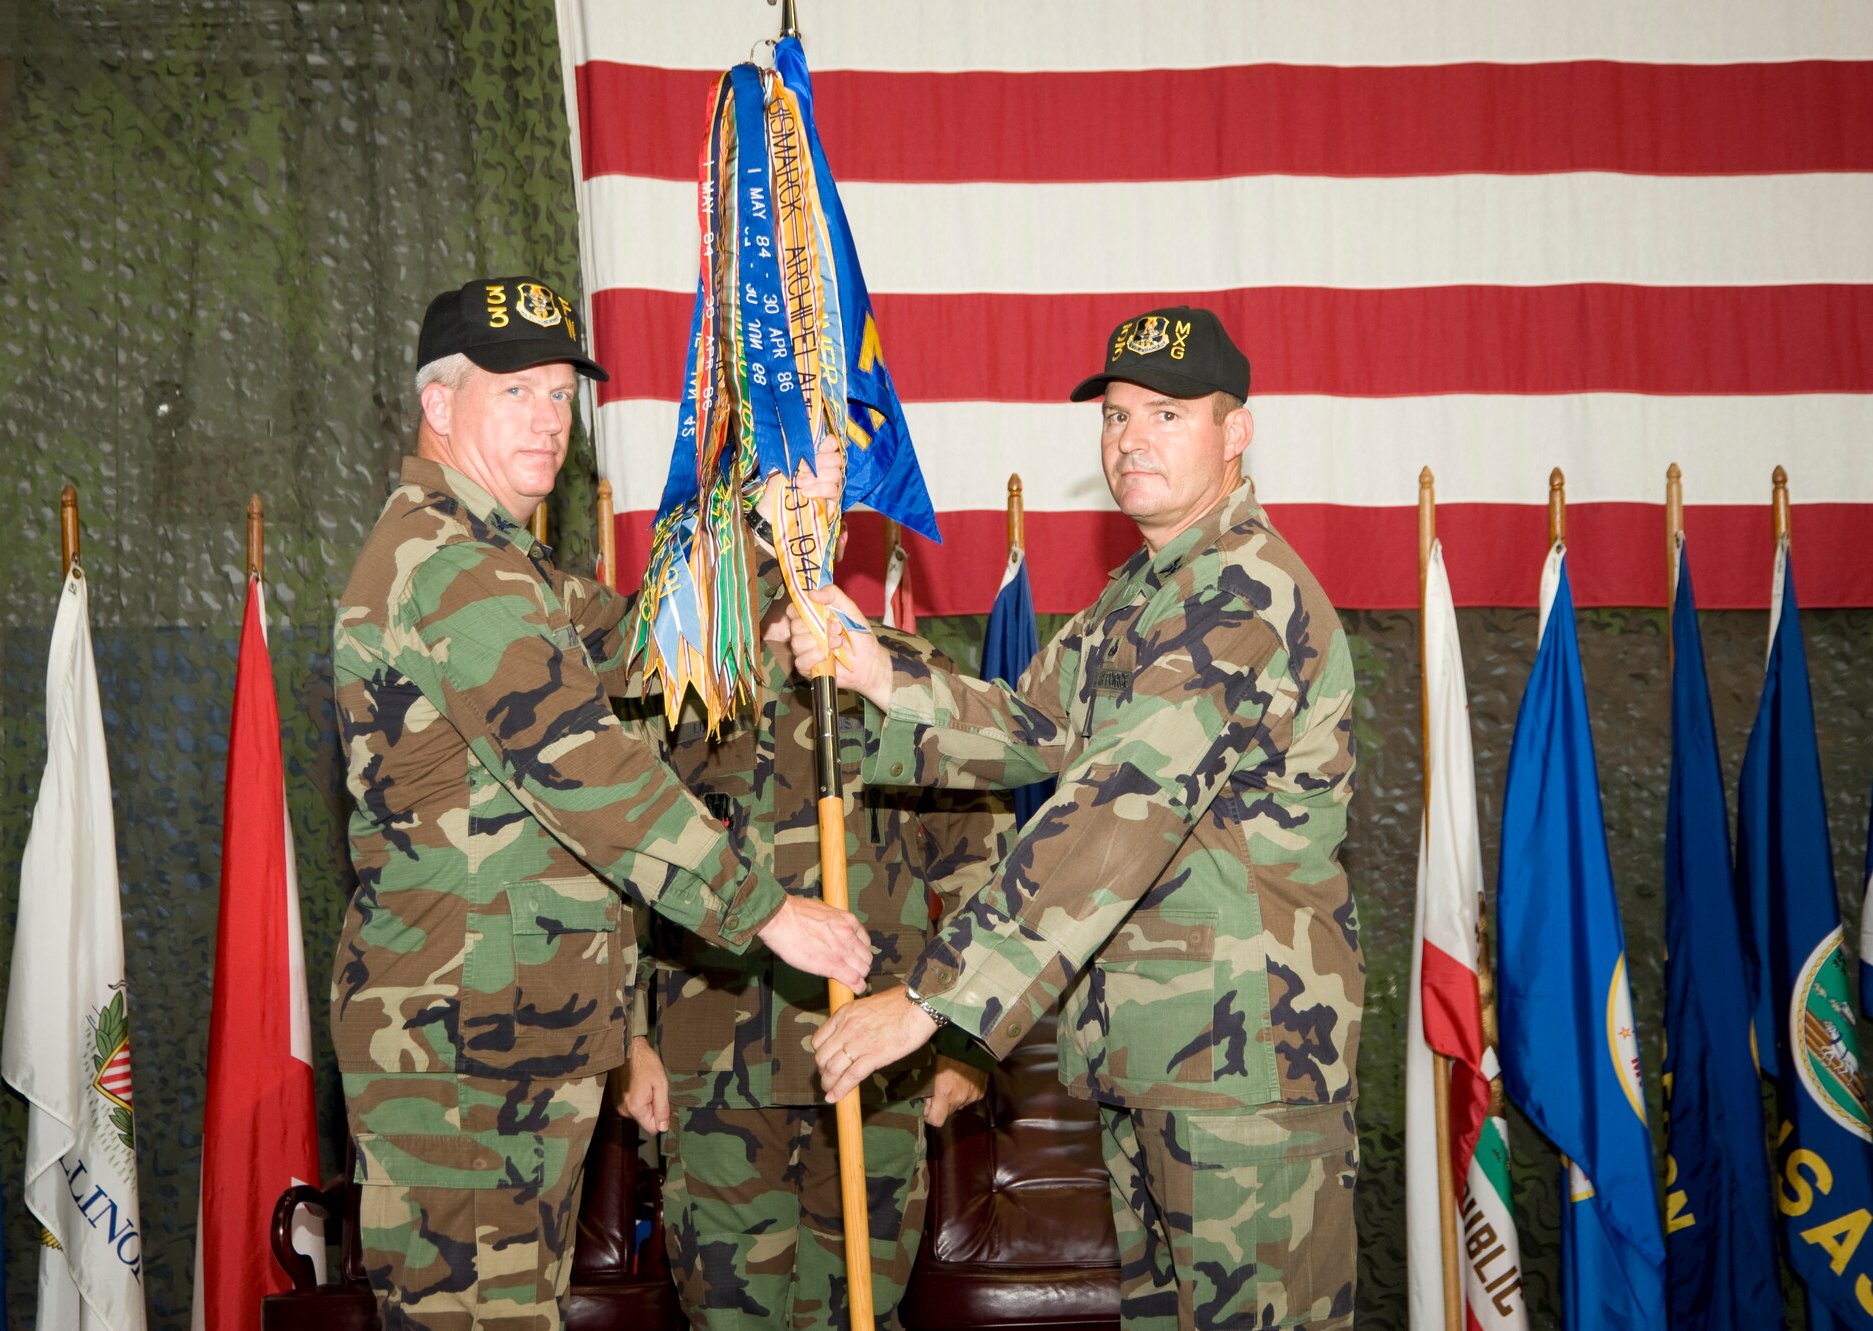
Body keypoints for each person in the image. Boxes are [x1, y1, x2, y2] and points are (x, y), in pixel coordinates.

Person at [788, 307, 1362, 1330]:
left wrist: (928, 1000)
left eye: (1166, 414)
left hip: (1245, 1082)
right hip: (1154, 1064)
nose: (1129, 438)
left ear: (1236, 431)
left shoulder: (1242, 595)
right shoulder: (1141, 595)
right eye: (1114, 414)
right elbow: (1032, 727)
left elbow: (1112, 807)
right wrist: (879, 673)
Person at [331, 275, 872, 1331]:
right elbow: (588, 770)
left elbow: (644, 636)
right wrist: (765, 910)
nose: (547, 419)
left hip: (512, 1022)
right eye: (515, 391)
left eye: (557, 393)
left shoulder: (499, 558)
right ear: (438, 404)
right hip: (460, 1038)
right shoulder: (448, 566)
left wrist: (772, 533)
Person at [609, 563, 1009, 1330]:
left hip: (878, 1062)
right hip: (715, 1065)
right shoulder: (681, 665)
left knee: (862, 1312)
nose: (801, 498)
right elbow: (622, 856)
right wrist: (628, 1037)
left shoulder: (902, 673)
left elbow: (980, 861)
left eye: (823, 477)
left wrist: (969, 1043)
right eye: (781, 473)